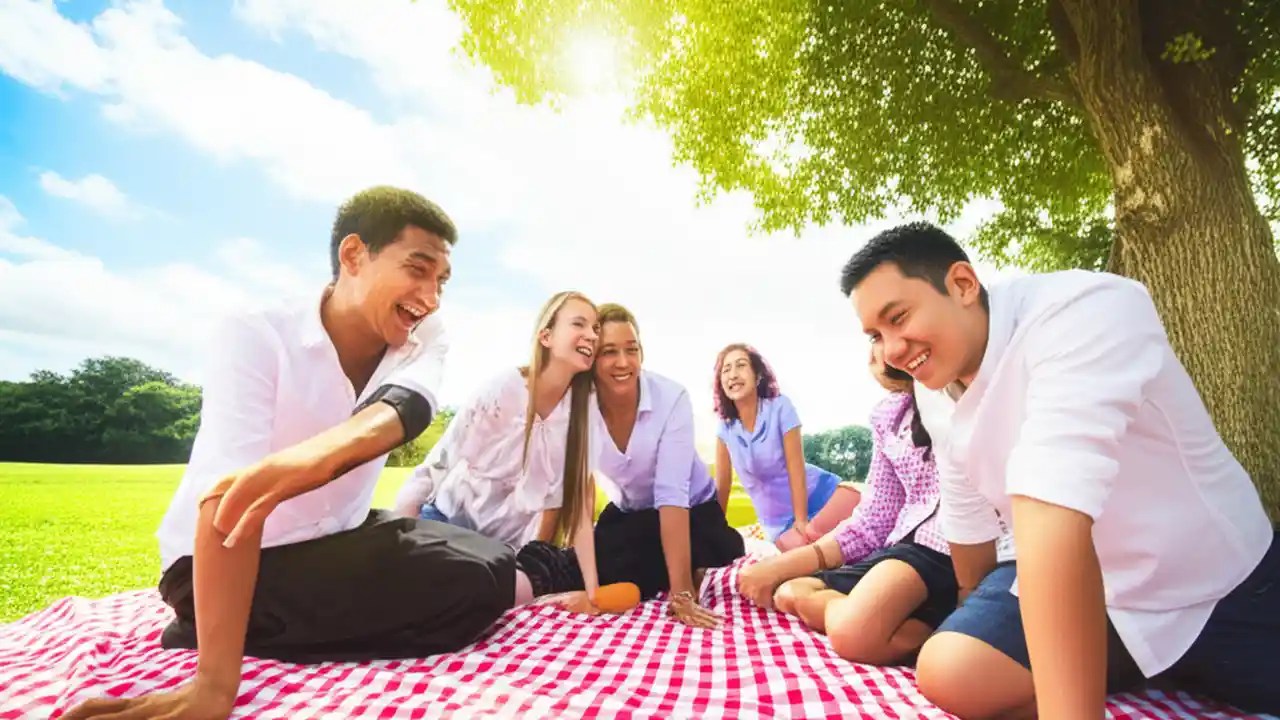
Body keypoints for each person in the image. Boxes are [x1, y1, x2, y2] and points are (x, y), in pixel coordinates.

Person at [64, 187, 593, 720]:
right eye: (418, 269)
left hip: (338, 538)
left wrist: (312, 462)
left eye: (441, 282)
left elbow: (412, 403)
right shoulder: (255, 332)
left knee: (490, 561)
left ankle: (256, 627)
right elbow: (227, 503)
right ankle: (214, 623)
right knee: (470, 590)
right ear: (353, 255)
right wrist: (213, 688)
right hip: (220, 557)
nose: (430, 296)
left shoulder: (422, 332)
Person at [841, 221, 1280, 717]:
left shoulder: (1085, 310)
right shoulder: (932, 382)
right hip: (1099, 603)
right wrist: (971, 610)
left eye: (898, 317)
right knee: (950, 670)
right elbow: (965, 505)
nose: (892, 350)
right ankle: (1103, 669)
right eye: (876, 334)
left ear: (962, 284)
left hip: (1219, 586)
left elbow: (1050, 507)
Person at [737, 342, 955, 665]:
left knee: (854, 632)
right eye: (873, 337)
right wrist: (780, 566)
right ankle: (914, 625)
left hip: (944, 551)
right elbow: (872, 522)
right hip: (900, 551)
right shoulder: (890, 417)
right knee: (791, 592)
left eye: (885, 334)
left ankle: (918, 632)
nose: (875, 351)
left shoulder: (961, 400)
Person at [554, 303, 744, 627]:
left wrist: (682, 592)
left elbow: (671, 495)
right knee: (585, 562)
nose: (623, 362)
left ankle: (710, 552)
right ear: (592, 359)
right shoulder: (579, 408)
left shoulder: (671, 398)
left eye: (632, 349)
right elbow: (576, 493)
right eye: (609, 352)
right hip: (630, 512)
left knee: (695, 546)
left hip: (692, 507)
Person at [712, 344, 857, 549]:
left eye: (741, 365)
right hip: (779, 524)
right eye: (726, 370)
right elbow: (722, 486)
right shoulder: (724, 429)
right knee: (798, 549)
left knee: (861, 511)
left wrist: (801, 522)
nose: (733, 375)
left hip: (821, 494)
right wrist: (714, 532)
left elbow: (795, 466)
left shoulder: (780, 407)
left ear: (757, 375)